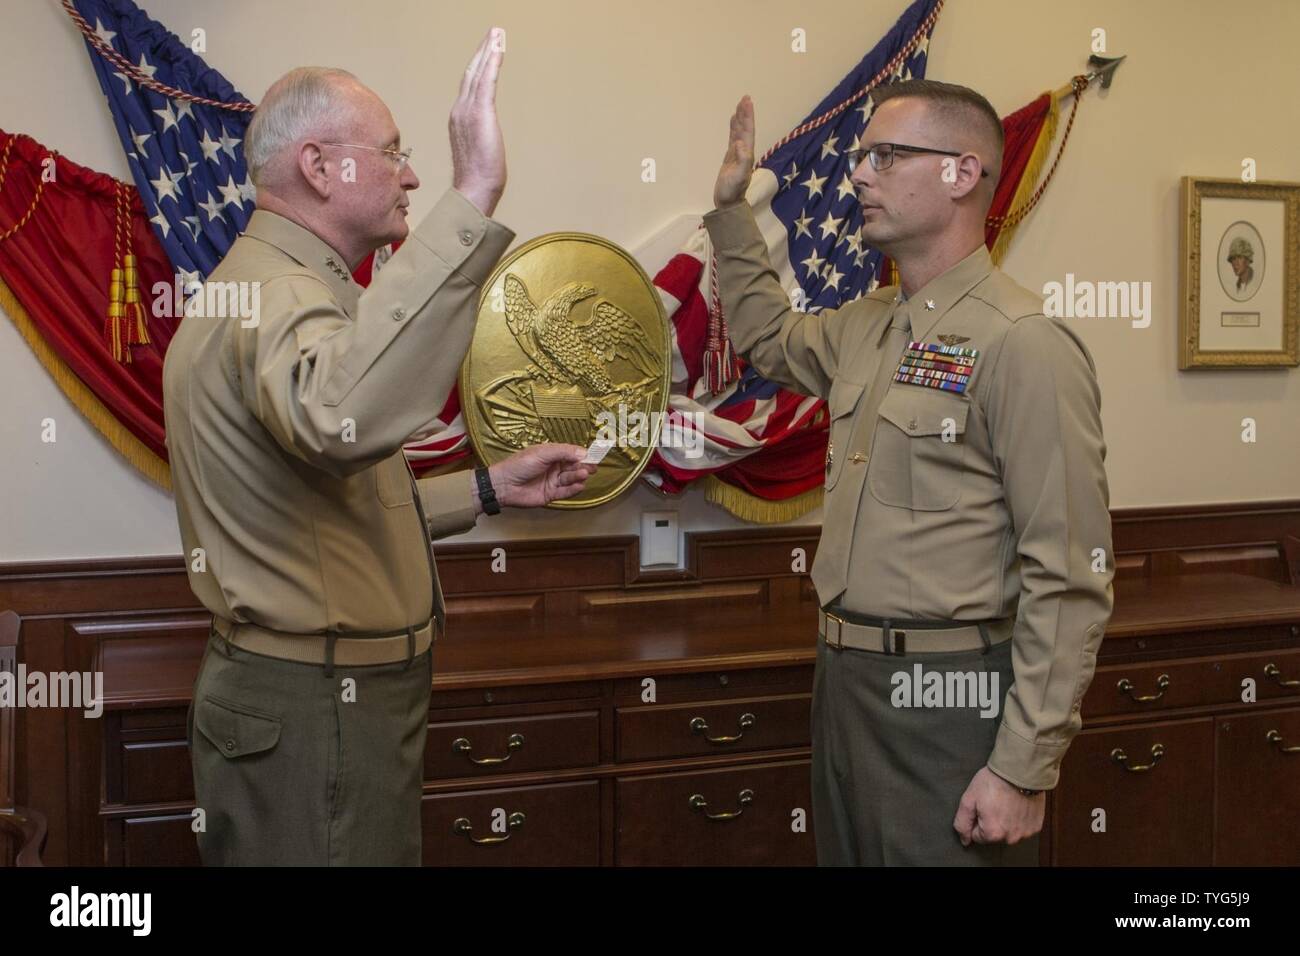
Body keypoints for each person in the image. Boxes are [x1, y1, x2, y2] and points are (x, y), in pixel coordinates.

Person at [162, 29, 596, 865]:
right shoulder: (282, 294)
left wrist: (489, 489)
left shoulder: (272, 286)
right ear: (320, 168)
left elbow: (324, 510)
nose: (411, 175)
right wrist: (472, 196)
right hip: (316, 702)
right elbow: (338, 418)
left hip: (317, 698)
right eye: (393, 153)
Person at [706, 79, 1114, 865]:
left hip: (950, 698)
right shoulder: (867, 326)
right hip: (845, 685)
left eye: (886, 157)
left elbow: (1069, 575)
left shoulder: (1024, 343)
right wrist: (729, 212)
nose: (860, 175)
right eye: (862, 157)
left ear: (962, 173)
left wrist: (1023, 768)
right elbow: (765, 335)